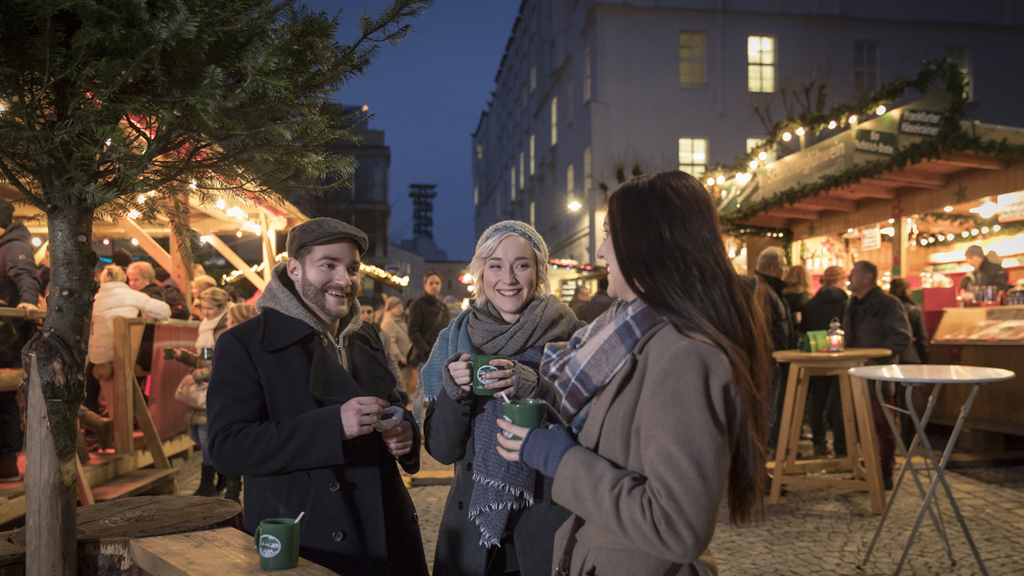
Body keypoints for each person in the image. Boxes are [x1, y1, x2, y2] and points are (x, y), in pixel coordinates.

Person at [495, 171, 771, 576]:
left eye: (610, 234)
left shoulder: (685, 354)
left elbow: (678, 527)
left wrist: (562, 459)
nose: (602, 250)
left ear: (649, 243)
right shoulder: (629, 336)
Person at [207, 218, 427, 576]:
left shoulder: (366, 335)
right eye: (329, 265)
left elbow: (396, 404)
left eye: (352, 268)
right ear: (294, 269)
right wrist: (333, 426)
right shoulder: (244, 344)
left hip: (389, 531)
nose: (345, 280)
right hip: (310, 540)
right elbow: (228, 448)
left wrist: (406, 433)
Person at [423, 221, 584, 576]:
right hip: (471, 533)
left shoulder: (573, 336)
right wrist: (455, 393)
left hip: (547, 528)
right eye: (495, 265)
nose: (508, 278)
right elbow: (442, 450)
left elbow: (590, 430)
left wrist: (537, 387)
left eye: (521, 265)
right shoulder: (456, 339)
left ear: (538, 271)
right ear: (480, 273)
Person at [843, 261, 912, 490]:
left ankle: (884, 473)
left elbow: (901, 337)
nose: (849, 276)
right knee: (859, 426)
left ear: (867, 277)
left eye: (853, 273)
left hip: (878, 375)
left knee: (882, 425)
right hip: (855, 375)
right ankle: (865, 469)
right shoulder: (851, 304)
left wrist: (876, 358)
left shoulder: (888, 304)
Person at [171, 287, 234, 498]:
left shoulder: (224, 327)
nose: (205, 312)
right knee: (196, 435)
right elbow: (206, 359)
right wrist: (183, 356)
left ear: (221, 307)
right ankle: (221, 475)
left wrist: (198, 375)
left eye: (210, 308)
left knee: (205, 436)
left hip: (214, 387)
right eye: (203, 307)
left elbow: (223, 364)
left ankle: (208, 483)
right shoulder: (207, 327)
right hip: (204, 385)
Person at [88, 265, 172, 420]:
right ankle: (137, 419)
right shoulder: (133, 296)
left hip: (98, 358)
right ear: (124, 279)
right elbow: (165, 311)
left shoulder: (94, 299)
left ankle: (97, 420)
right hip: (126, 354)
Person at [0, 200, 41, 480]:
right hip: (6, 332)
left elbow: (26, 275)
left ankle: (7, 464)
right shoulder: (8, 243)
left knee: (4, 398)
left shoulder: (13, 245)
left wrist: (27, 302)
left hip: (6, 334)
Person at [800, 266, 850, 458]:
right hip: (841, 358)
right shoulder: (847, 304)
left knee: (817, 402)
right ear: (839, 281)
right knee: (840, 402)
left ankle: (819, 444)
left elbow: (803, 330)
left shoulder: (810, 304)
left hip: (816, 357)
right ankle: (841, 447)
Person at [754, 246, 794, 450]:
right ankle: (767, 463)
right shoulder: (764, 291)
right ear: (773, 269)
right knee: (767, 414)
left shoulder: (767, 289)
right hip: (769, 362)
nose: (786, 270)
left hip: (771, 360)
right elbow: (762, 328)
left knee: (769, 413)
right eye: (784, 266)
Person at [407, 271, 450, 426]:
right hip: (424, 355)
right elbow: (413, 330)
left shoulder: (442, 306)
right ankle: (418, 426)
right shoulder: (418, 304)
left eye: (437, 283)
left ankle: (434, 425)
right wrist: (426, 352)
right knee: (421, 391)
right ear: (425, 285)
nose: (434, 286)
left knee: (439, 391)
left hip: (441, 355)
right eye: (431, 283)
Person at [380, 296, 414, 405]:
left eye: (401, 306)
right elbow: (391, 343)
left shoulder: (400, 320)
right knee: (400, 386)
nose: (401, 309)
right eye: (397, 306)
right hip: (398, 362)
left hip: (406, 358)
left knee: (406, 385)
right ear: (390, 308)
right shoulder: (389, 322)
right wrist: (400, 356)